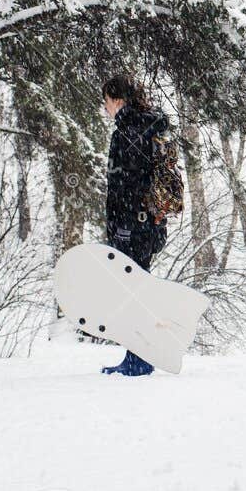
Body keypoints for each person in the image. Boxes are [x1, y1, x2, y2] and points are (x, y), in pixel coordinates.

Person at [100, 72, 173, 377]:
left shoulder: (129, 131)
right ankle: (138, 354)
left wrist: (120, 226)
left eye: (106, 102)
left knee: (133, 289)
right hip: (151, 223)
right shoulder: (150, 126)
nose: (106, 109)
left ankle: (139, 357)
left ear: (117, 100)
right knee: (137, 286)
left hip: (134, 225)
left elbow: (126, 185)